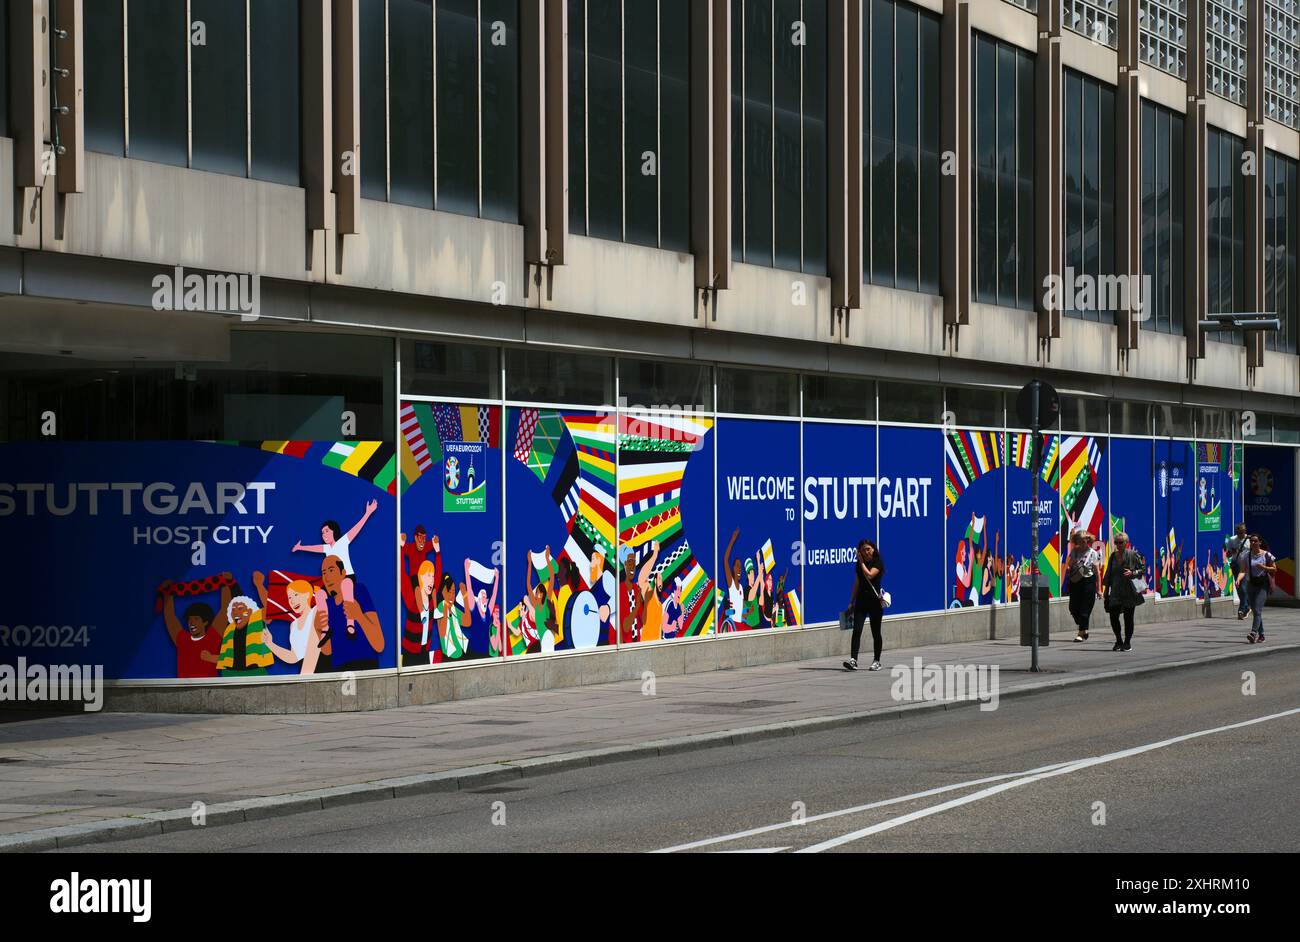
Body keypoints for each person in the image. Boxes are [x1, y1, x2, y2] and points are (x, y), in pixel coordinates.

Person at [316, 555, 385, 671]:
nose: (327, 577)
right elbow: (327, 651)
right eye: (324, 573)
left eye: (331, 570)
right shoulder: (326, 605)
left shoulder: (358, 591)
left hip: (366, 666)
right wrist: (318, 629)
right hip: (339, 669)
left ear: (343, 573)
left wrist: (359, 616)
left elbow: (379, 645)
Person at [161, 577, 229, 679]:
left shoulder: (213, 637)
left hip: (210, 688)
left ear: (205, 622)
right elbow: (170, 617)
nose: (191, 622)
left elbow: (225, 610)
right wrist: (167, 593)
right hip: (184, 688)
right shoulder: (182, 639)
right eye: (189, 619)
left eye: (196, 619)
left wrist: (225, 583)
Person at [256, 572, 323, 675]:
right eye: (290, 597)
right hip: (305, 673)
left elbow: (313, 649)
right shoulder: (293, 625)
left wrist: (304, 679)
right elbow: (294, 657)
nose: (292, 601)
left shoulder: (316, 611)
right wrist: (270, 644)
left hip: (321, 668)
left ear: (307, 594)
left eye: (296, 594)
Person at [292, 499, 379, 577]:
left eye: (327, 531)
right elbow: (314, 548)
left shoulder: (342, 542)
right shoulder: (327, 548)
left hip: (347, 576)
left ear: (334, 531)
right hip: (334, 580)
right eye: (322, 533)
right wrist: (300, 547)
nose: (324, 535)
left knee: (346, 586)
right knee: (321, 593)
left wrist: (367, 513)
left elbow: (356, 529)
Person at [843, 539, 886, 672]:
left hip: (875, 602)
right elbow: (857, 583)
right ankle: (853, 660)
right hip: (861, 601)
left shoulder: (877, 562)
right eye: (863, 550)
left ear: (873, 549)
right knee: (857, 630)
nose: (866, 552)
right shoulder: (859, 565)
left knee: (876, 632)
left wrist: (861, 562)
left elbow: (870, 575)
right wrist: (851, 601)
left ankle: (877, 661)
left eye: (868, 549)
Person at [1102, 532, 1145, 652]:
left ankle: (1127, 642)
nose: (1118, 545)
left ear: (1126, 543)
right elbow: (1108, 574)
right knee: (1113, 616)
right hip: (1115, 591)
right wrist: (1106, 592)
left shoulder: (1132, 554)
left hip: (1129, 591)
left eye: (1121, 542)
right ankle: (1118, 640)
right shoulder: (1113, 556)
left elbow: (1142, 569)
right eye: (1116, 542)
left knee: (1128, 618)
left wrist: (1133, 573)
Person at [1066, 531, 1101, 642]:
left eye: (1084, 540)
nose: (1082, 542)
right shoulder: (1074, 551)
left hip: (1088, 582)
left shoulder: (1093, 553)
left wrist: (1099, 589)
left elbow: (1097, 572)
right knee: (1073, 608)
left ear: (1088, 540)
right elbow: (1069, 565)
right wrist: (1070, 566)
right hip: (1075, 581)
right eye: (1079, 541)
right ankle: (1084, 627)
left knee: (1085, 609)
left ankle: (1080, 633)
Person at [1245, 534, 1276, 644]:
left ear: (1260, 542)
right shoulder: (1247, 555)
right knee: (1255, 611)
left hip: (1263, 585)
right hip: (1251, 584)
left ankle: (1253, 633)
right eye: (1251, 541)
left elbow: (1274, 569)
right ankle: (1262, 634)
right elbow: (1243, 570)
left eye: (1255, 541)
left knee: (1257, 609)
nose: (1252, 543)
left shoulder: (1266, 555)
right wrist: (1238, 580)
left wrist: (1264, 567)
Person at [1225, 523, 1251, 620]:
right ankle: (1247, 606)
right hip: (1236, 566)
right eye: (1238, 533)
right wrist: (1231, 552)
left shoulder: (1249, 540)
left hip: (1246, 567)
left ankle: (1241, 610)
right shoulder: (1232, 540)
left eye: (1241, 533)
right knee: (1239, 587)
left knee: (1243, 588)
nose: (1240, 534)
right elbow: (1228, 555)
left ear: (1245, 532)